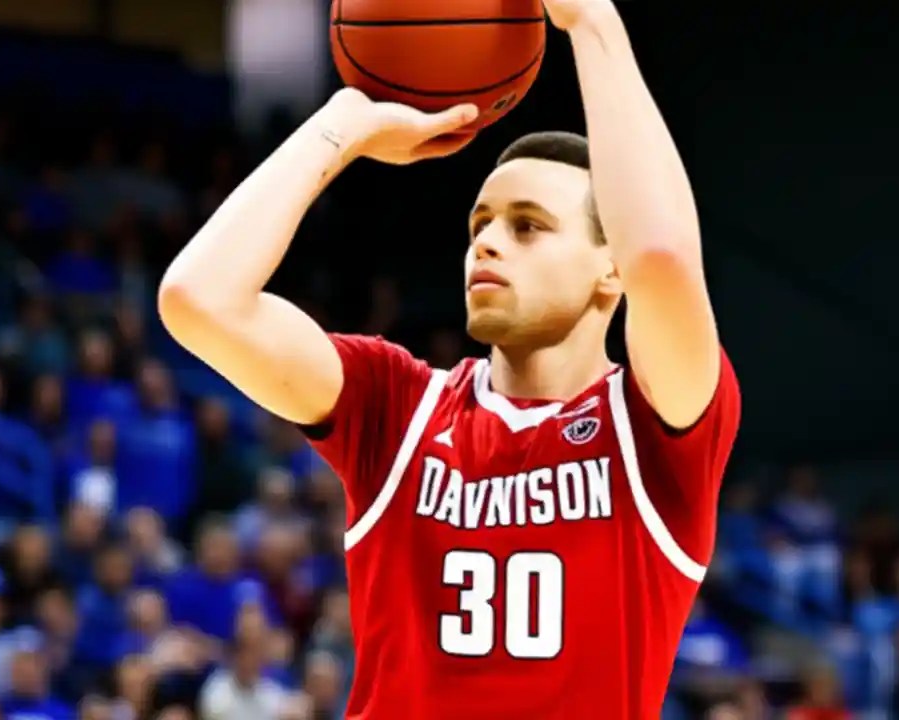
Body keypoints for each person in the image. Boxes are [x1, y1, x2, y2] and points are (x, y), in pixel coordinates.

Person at [158, 0, 741, 717]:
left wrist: (593, 24)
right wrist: (342, 126)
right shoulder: (396, 405)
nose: (488, 243)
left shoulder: (655, 430)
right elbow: (198, 299)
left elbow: (662, 256)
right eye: (481, 224)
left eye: (529, 227)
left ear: (609, 271)